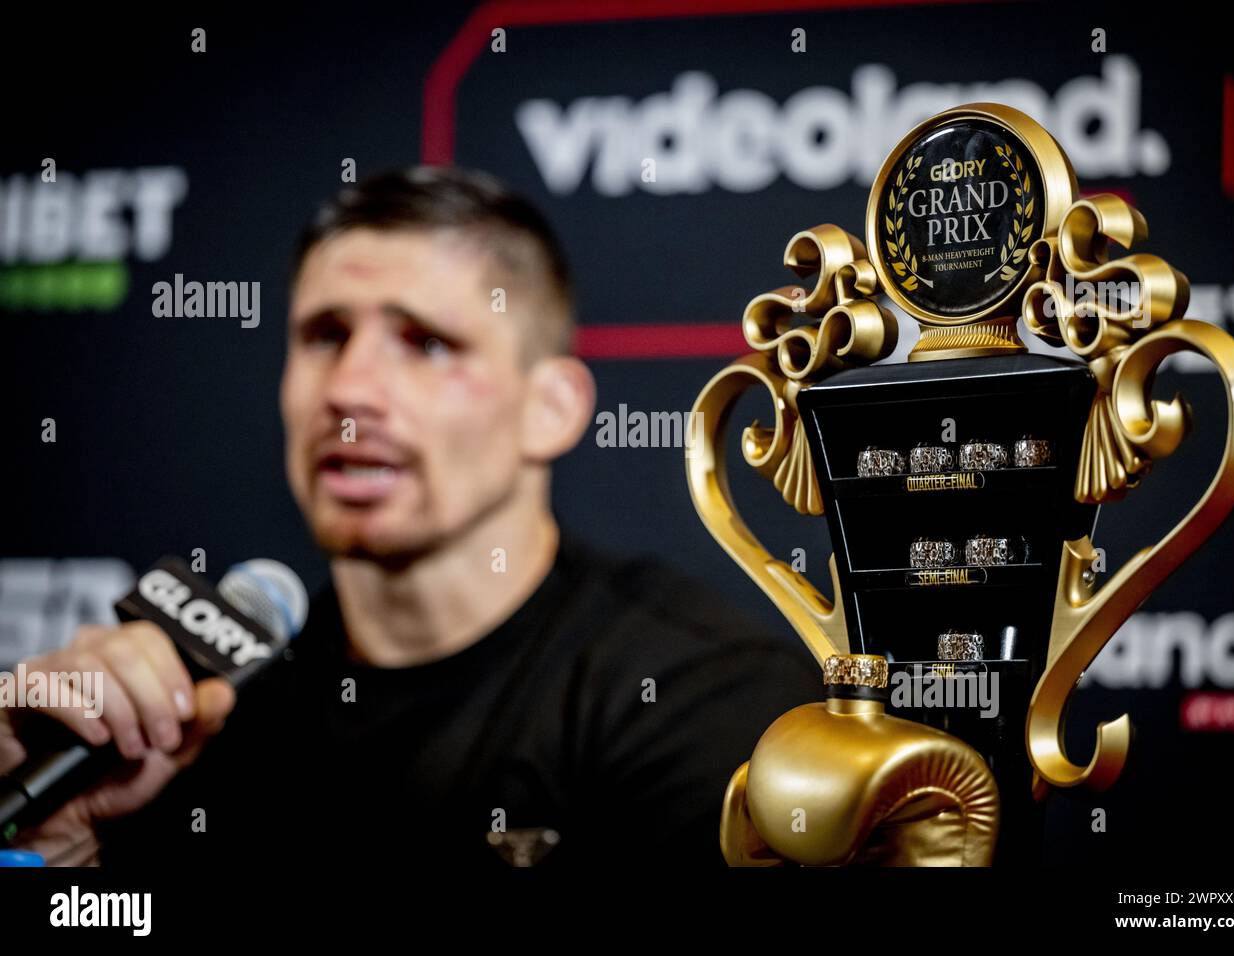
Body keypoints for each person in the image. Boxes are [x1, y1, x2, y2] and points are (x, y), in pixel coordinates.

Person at [0, 167, 823, 868]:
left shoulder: (704, 698)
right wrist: (60, 853)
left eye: (425, 343)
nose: (349, 390)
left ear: (553, 408)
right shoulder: (199, 722)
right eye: (325, 334)